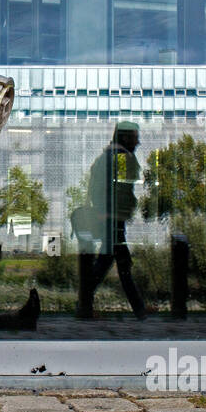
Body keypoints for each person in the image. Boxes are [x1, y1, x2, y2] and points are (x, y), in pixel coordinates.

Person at [76, 121, 147, 320]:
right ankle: (138, 309)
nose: (138, 142)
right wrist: (119, 210)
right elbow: (122, 188)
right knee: (115, 265)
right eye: (134, 137)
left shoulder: (103, 158)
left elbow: (96, 188)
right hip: (113, 219)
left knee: (113, 263)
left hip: (108, 217)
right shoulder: (122, 158)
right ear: (124, 138)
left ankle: (138, 308)